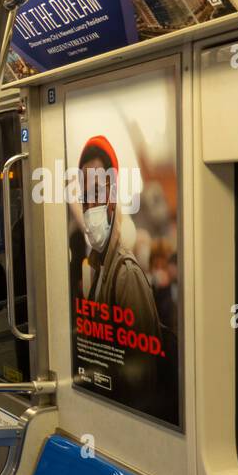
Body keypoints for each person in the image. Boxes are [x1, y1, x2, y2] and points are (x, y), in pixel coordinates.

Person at [78, 135, 161, 339]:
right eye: (85, 199)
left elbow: (142, 357)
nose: (90, 207)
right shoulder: (98, 270)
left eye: (97, 193)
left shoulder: (126, 275)